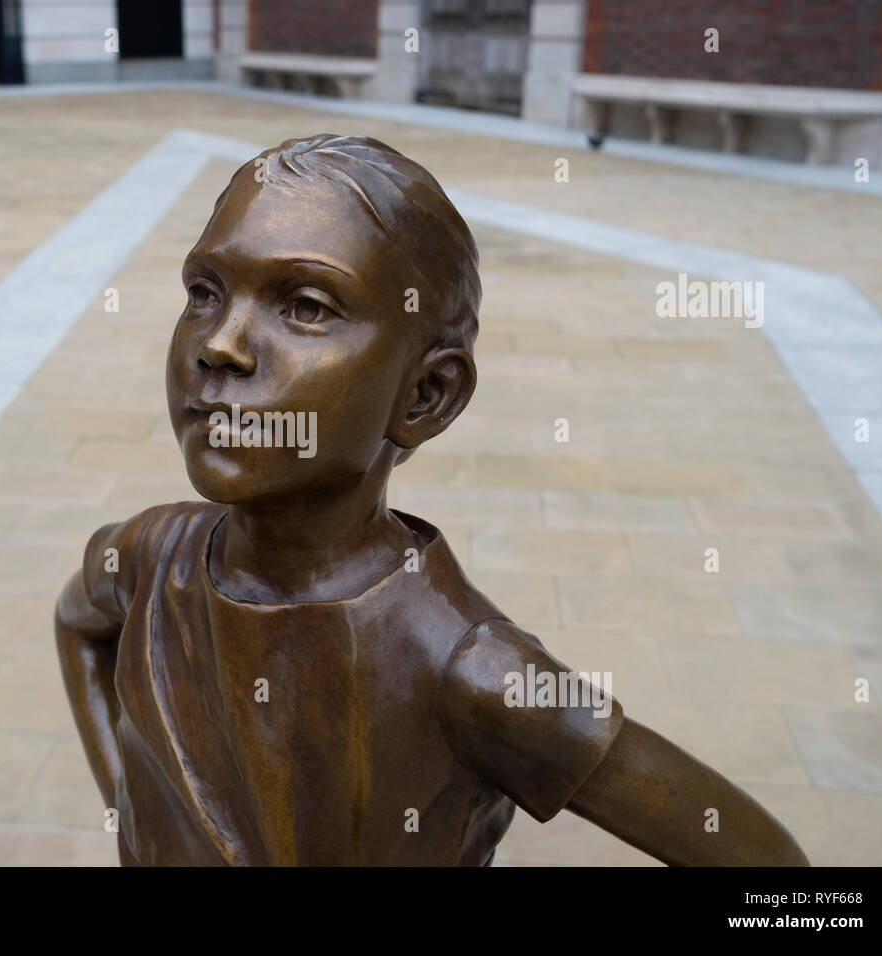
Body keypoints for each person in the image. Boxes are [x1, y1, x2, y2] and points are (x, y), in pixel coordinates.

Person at [54, 133, 808, 866]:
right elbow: (78, 625)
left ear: (425, 394)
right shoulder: (146, 555)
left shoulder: (469, 670)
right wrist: (136, 811)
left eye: (307, 306)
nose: (219, 344)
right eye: (205, 291)